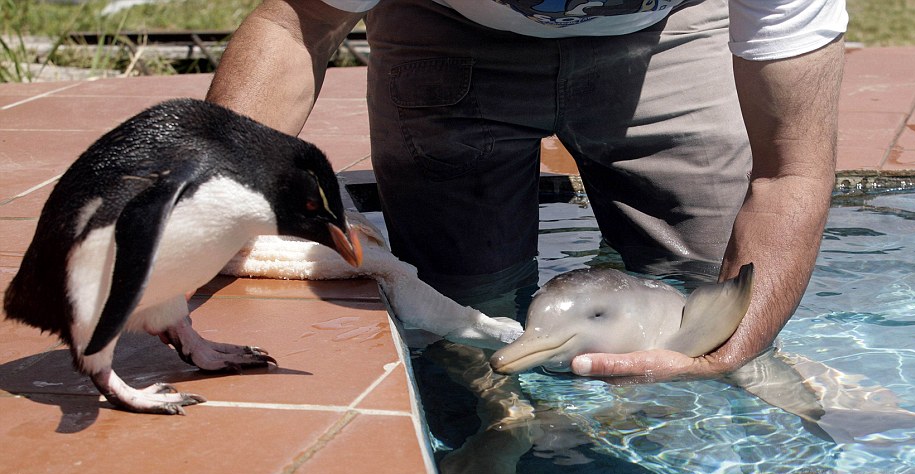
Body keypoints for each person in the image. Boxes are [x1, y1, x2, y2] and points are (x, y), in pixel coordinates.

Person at [206, 0, 847, 382]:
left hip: (675, 29)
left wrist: (726, 352)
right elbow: (295, 23)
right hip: (443, 23)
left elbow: (790, 173)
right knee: (461, 318)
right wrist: (212, 207)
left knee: (715, 296)